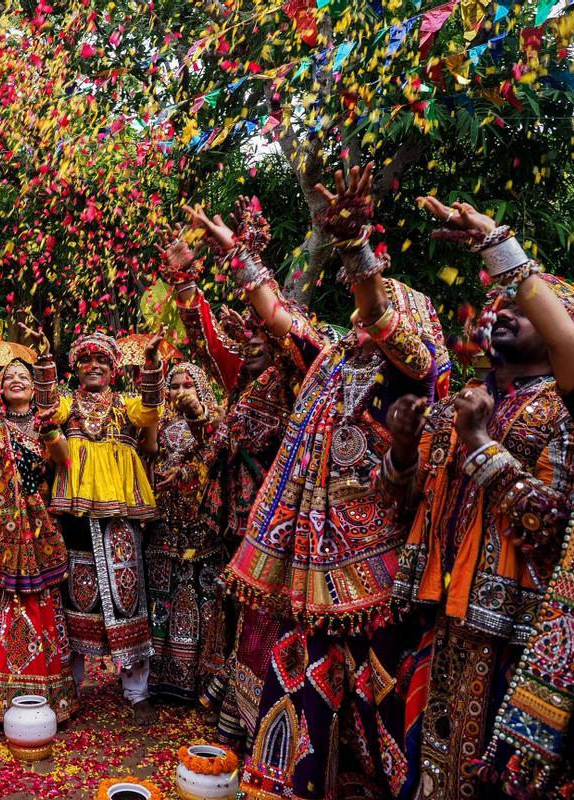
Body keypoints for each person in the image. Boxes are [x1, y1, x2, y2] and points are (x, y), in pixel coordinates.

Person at [192, 166, 451, 799]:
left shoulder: (412, 371)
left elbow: (382, 317)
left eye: (381, 308)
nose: (364, 316)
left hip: (378, 578)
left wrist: (357, 249)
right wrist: (237, 254)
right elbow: (280, 317)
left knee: (381, 705)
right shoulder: (332, 360)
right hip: (307, 570)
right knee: (299, 692)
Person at [417, 196, 574, 799]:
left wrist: (479, 445)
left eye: (526, 310)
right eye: (501, 306)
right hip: (447, 608)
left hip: (518, 632)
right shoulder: (471, 397)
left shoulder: (567, 414)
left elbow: (557, 529)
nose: (503, 314)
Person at [164, 207, 324, 751]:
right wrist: (185, 281)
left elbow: (286, 328)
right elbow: (206, 339)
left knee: (268, 616)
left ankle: (268, 717)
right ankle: (234, 703)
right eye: (247, 335)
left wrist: (241, 257)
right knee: (236, 609)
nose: (253, 341)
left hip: (283, 520)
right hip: (235, 515)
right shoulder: (241, 382)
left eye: (263, 334)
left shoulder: (298, 381)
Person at [34, 330, 163, 723]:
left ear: (114, 370)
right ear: (76, 369)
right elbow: (46, 409)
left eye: (102, 361)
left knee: (128, 596)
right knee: (75, 597)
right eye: (86, 360)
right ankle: (70, 688)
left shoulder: (125, 405)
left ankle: (136, 691)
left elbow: (151, 411)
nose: (94, 366)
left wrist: (152, 364)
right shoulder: (68, 404)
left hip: (120, 515)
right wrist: (44, 360)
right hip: (76, 514)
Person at [0, 358, 77, 723]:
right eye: (8, 377)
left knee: (40, 604)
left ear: (34, 387)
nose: (16, 380)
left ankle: (46, 694)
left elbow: (64, 459)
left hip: (39, 528)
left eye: (23, 376)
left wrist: (49, 429)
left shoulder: (49, 418)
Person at [145, 361, 228, 703]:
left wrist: (184, 473)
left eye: (187, 385)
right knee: (162, 600)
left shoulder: (214, 419)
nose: (180, 391)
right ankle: (161, 682)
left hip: (202, 527)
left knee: (202, 601)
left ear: (201, 388)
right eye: (175, 385)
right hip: (165, 525)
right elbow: (148, 455)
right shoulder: (159, 420)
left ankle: (200, 685)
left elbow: (214, 454)